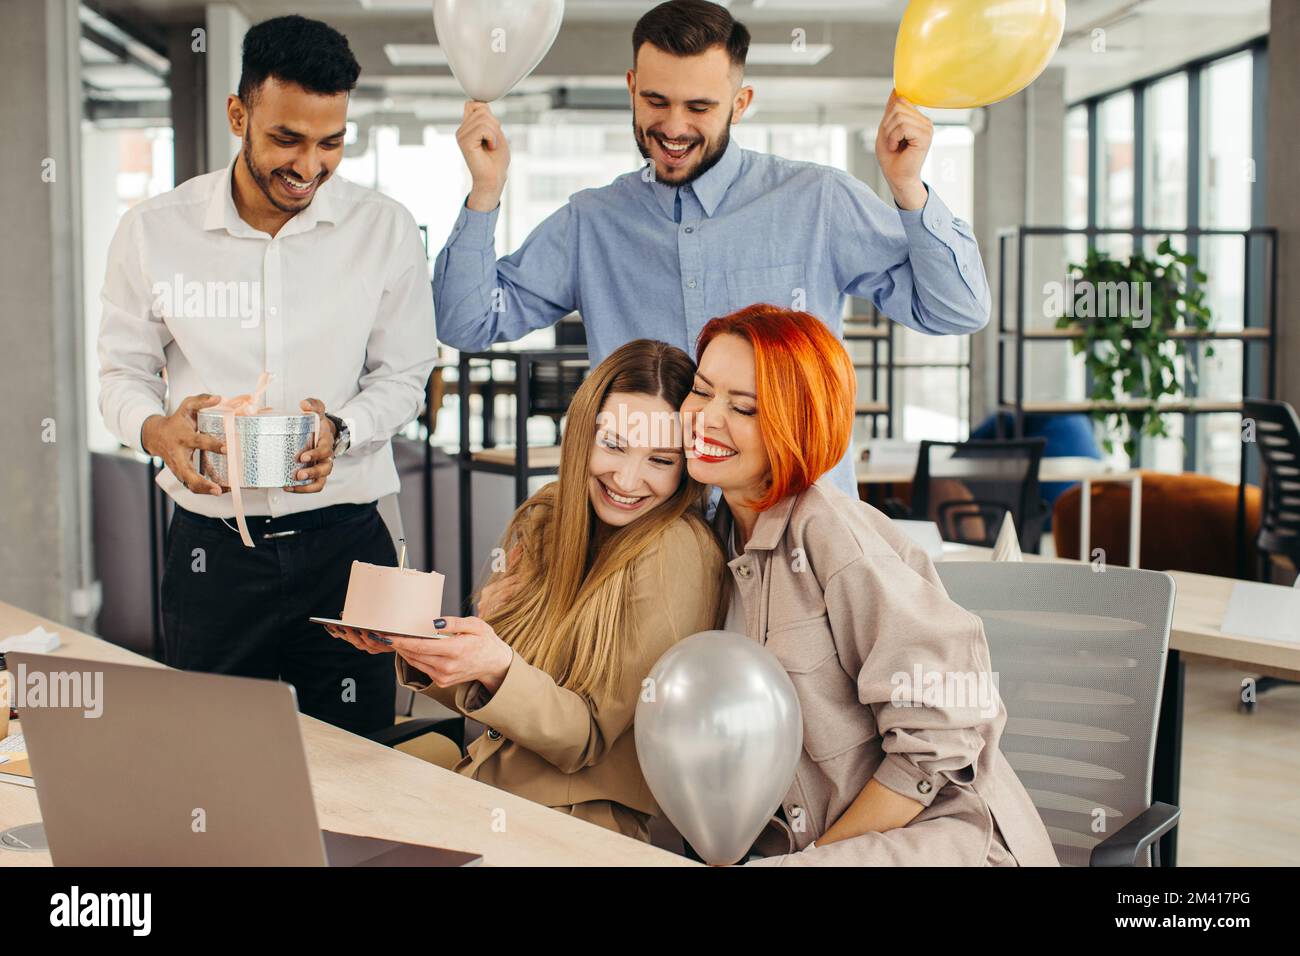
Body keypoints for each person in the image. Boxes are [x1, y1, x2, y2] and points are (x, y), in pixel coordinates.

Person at [434, 0, 990, 495]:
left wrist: (908, 188)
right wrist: (485, 192)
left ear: (740, 102)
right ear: (631, 87)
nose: (673, 127)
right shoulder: (592, 219)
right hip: (651, 531)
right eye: (656, 101)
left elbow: (956, 310)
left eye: (699, 107)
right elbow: (465, 324)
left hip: (791, 525)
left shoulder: (817, 199)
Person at [97, 15, 437, 735]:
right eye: (286, 138)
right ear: (238, 115)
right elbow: (120, 372)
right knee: (213, 765)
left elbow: (406, 374)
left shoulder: (384, 229)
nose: (309, 166)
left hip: (348, 542)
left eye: (331, 143)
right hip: (212, 552)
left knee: (364, 767)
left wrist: (342, 429)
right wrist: (157, 430)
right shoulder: (155, 232)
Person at [681, 304, 1058, 866]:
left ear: (795, 424)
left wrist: (814, 860)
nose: (706, 418)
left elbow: (941, 736)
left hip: (937, 837)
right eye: (700, 390)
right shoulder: (708, 536)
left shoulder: (829, 533)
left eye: (743, 407)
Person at [325, 340, 724, 841]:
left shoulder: (677, 550)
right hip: (486, 791)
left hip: (575, 826)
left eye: (660, 461)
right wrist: (418, 649)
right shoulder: (551, 517)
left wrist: (495, 665)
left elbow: (588, 739)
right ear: (583, 435)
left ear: (685, 466)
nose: (627, 478)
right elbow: (497, 698)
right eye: (615, 444)